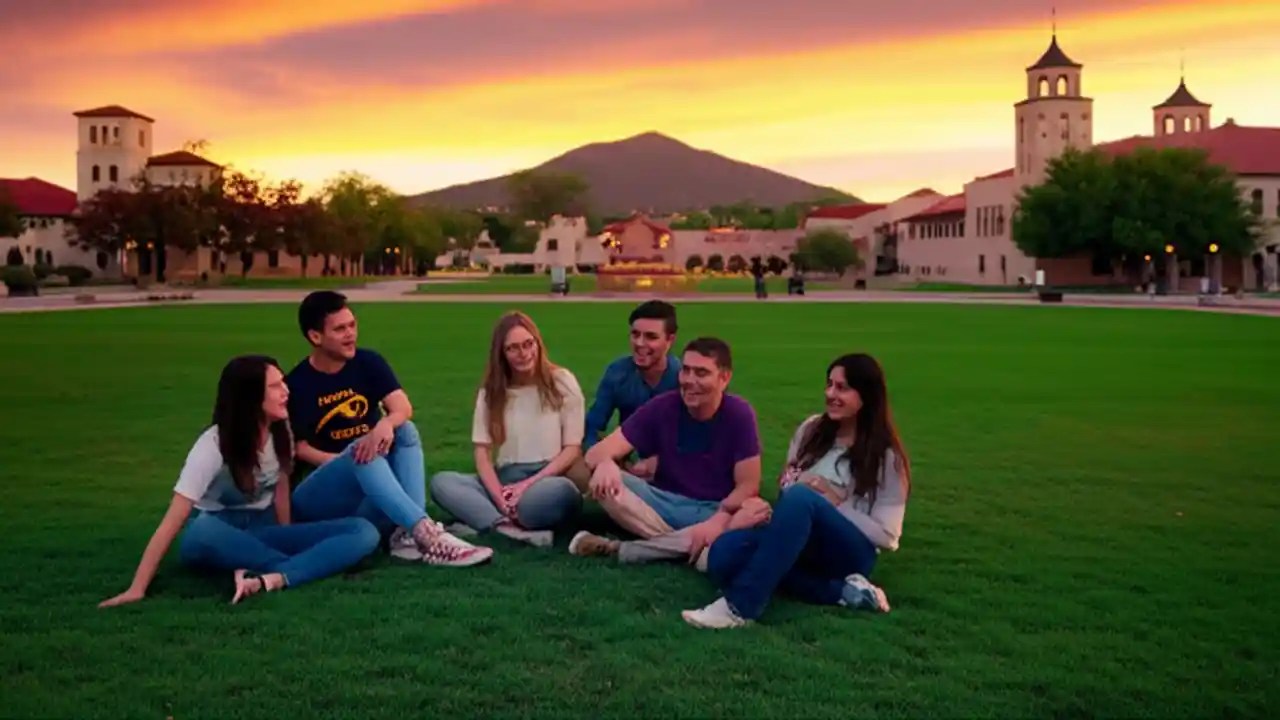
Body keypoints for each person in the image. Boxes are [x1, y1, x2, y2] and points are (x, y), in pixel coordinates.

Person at [99, 355, 381, 608]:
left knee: (364, 531)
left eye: (283, 383)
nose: (286, 391)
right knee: (202, 532)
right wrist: (137, 589)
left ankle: (267, 578)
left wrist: (287, 534)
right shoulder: (212, 445)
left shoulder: (281, 429)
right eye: (275, 386)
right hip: (218, 531)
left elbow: (282, 487)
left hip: (263, 526)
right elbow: (174, 519)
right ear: (250, 397)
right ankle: (305, 566)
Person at [681, 353, 909, 629]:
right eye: (829, 384)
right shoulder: (812, 430)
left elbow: (888, 536)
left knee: (803, 499)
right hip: (798, 539)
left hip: (849, 551)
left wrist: (834, 503)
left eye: (842, 388)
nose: (830, 394)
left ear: (867, 396)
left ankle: (739, 607)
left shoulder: (887, 457)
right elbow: (787, 484)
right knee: (723, 554)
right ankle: (843, 593)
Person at [285, 291, 492, 567]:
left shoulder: (367, 362)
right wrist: (351, 462)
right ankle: (426, 533)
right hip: (323, 497)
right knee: (363, 454)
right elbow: (299, 448)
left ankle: (408, 533)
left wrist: (385, 423)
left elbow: (402, 407)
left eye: (352, 325)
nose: (350, 334)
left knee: (405, 430)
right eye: (340, 329)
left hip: (370, 487)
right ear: (315, 337)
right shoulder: (297, 383)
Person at [569, 337, 770, 565]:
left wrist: (718, 520)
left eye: (701, 373)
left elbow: (748, 485)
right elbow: (595, 453)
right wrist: (606, 464)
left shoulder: (739, 414)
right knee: (602, 480)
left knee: (756, 512)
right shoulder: (664, 406)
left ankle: (622, 549)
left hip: (715, 509)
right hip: (662, 504)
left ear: (724, 378)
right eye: (686, 370)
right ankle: (698, 545)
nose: (690, 381)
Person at [430, 311, 585, 546]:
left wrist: (526, 486)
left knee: (562, 492)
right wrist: (500, 497)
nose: (523, 354)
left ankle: (483, 520)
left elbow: (572, 449)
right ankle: (509, 528)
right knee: (442, 483)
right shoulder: (491, 392)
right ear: (501, 353)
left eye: (528, 344)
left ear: (537, 343)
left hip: (548, 478)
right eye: (513, 348)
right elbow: (482, 453)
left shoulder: (561, 381)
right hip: (504, 480)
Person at [568, 300, 682, 491]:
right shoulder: (618, 372)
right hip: (625, 461)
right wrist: (605, 459)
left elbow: (701, 437)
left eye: (651, 337)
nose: (639, 343)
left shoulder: (683, 378)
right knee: (575, 474)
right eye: (635, 334)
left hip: (672, 462)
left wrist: (662, 461)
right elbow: (592, 426)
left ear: (670, 340)